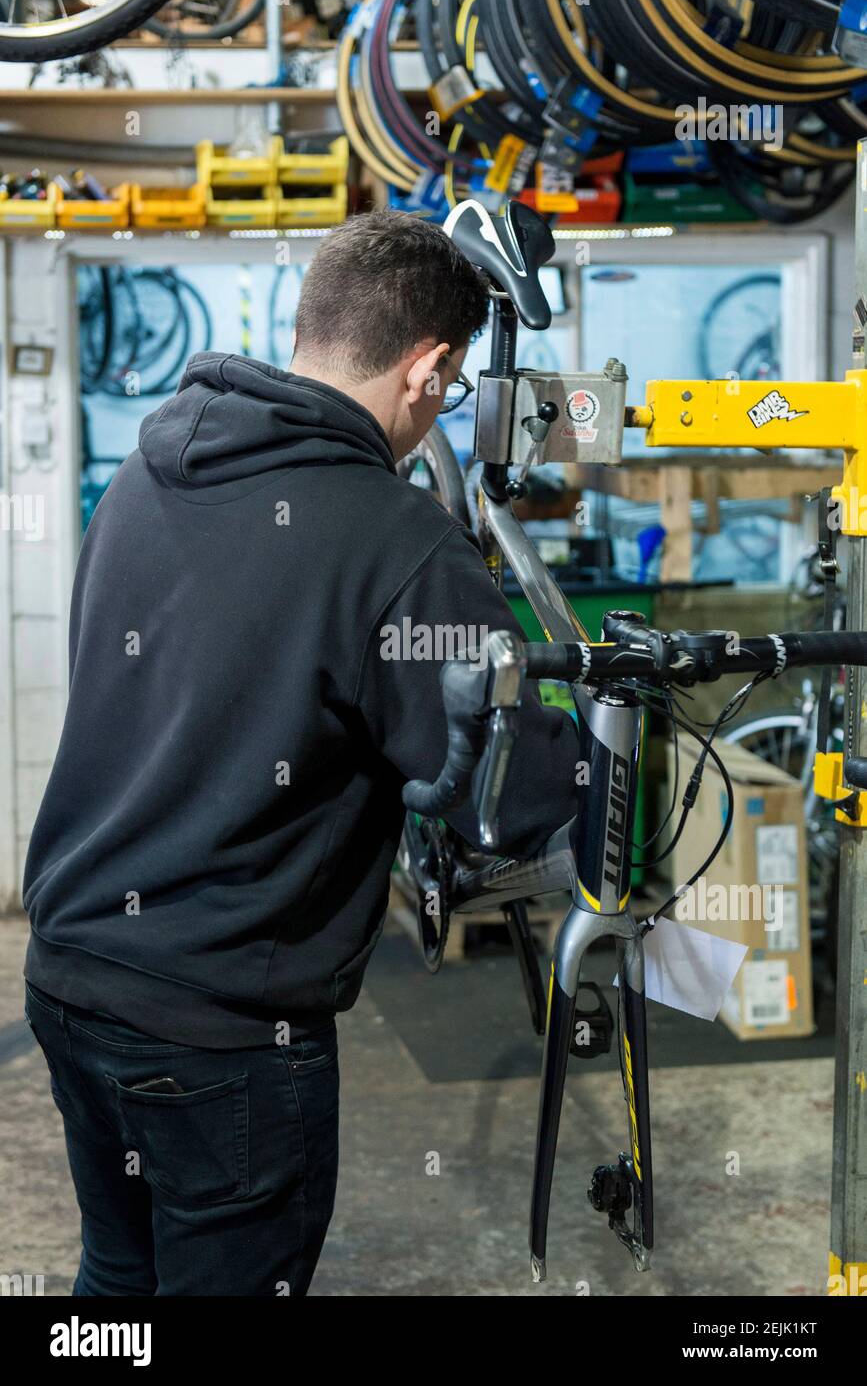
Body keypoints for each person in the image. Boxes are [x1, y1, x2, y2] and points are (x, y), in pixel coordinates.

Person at [22, 210, 579, 1296]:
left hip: (75, 974)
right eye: (454, 385)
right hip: (219, 1029)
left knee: (116, 1280)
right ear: (427, 366)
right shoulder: (397, 534)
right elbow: (503, 793)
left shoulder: (144, 476)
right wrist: (604, 766)